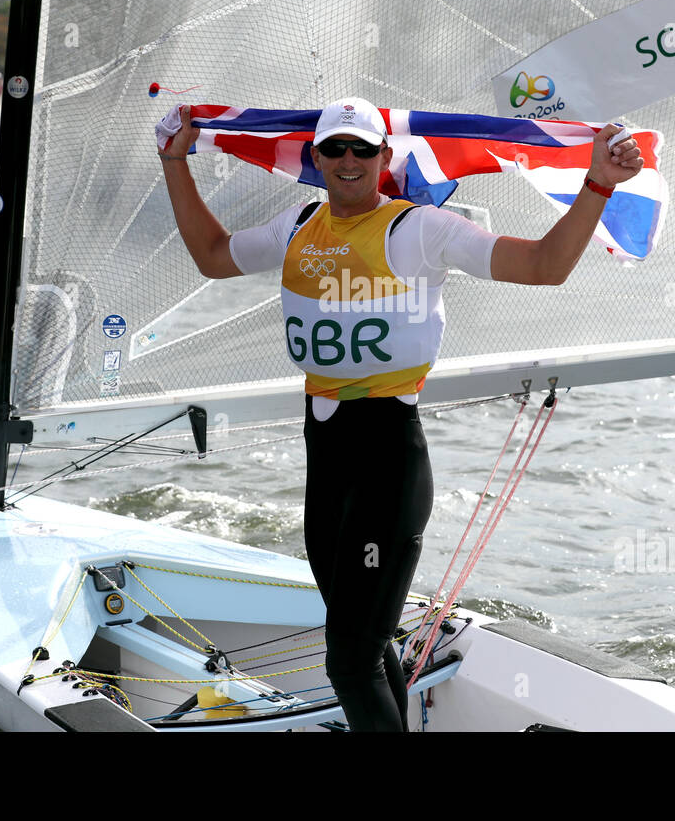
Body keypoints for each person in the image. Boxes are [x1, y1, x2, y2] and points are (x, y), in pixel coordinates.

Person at [160, 98, 643, 731]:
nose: (349, 160)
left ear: (385, 157)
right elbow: (214, 256)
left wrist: (598, 184)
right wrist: (174, 160)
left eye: (363, 149)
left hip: (387, 457)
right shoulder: (297, 225)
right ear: (316, 157)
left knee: (349, 661)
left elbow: (543, 267)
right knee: (363, 639)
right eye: (335, 148)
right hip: (326, 457)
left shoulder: (420, 230)